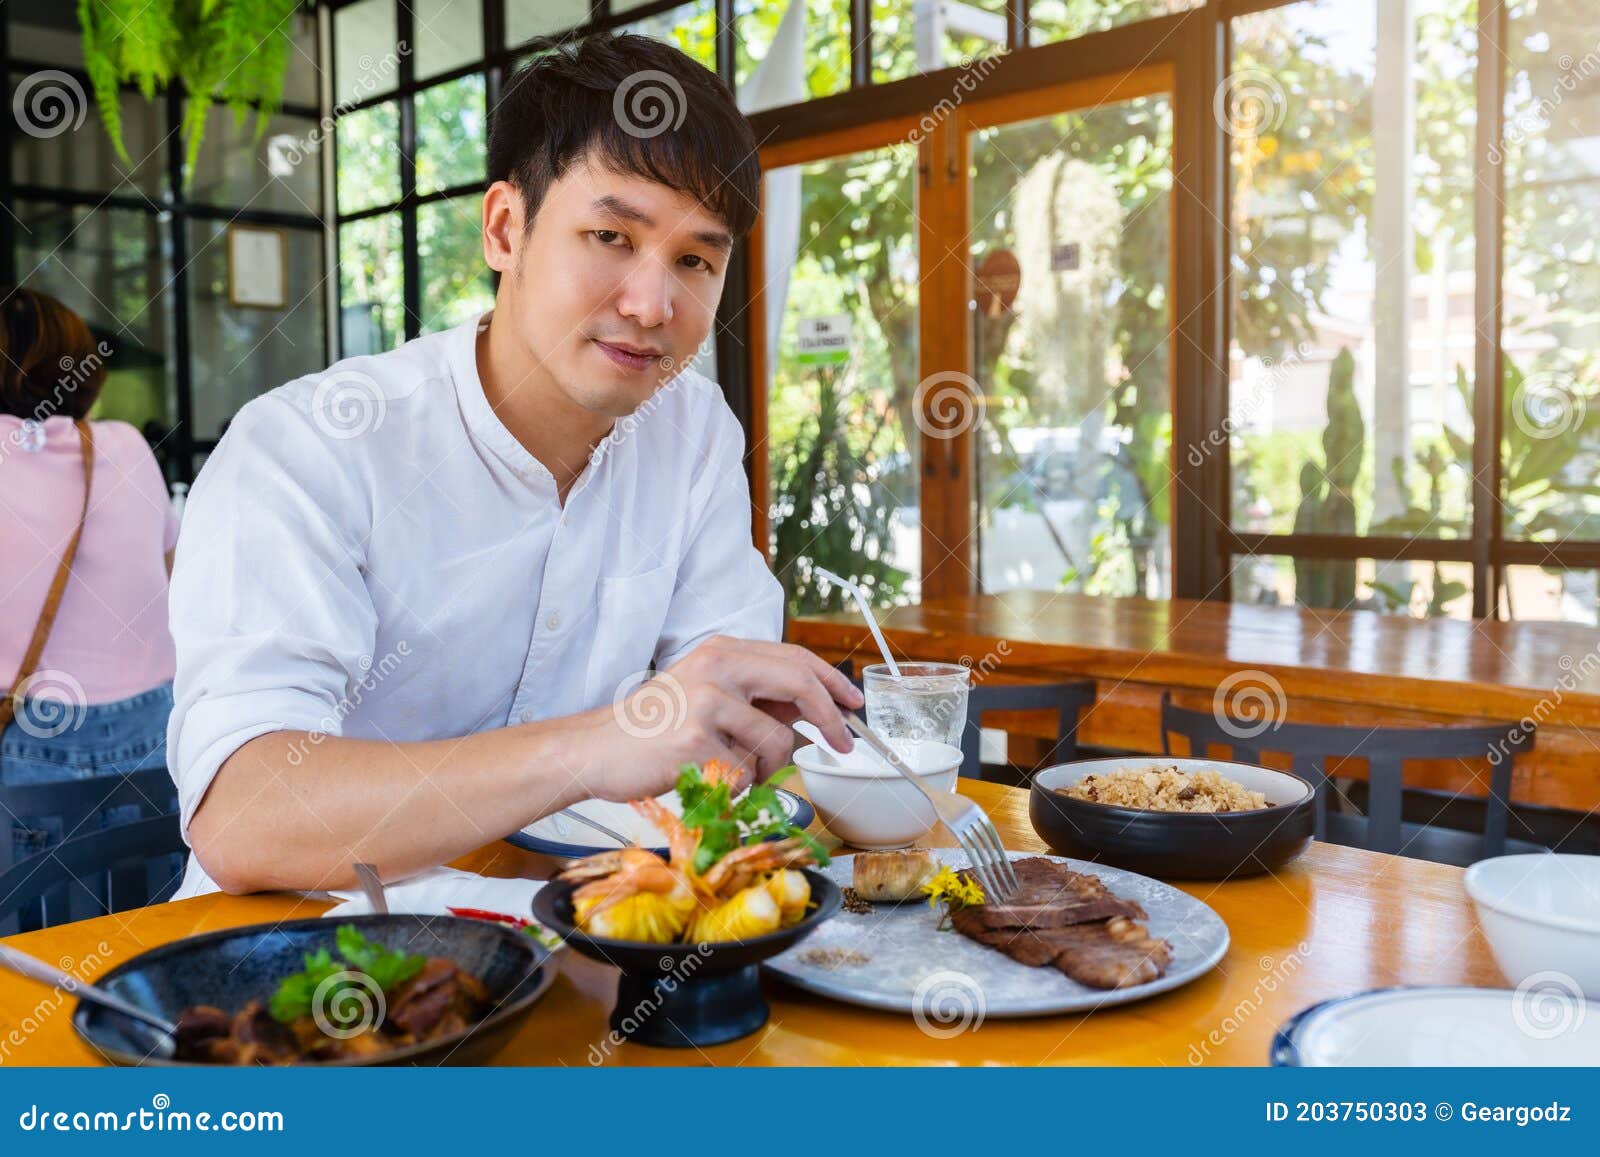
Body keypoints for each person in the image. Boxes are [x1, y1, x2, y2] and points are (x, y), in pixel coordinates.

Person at [168, 33, 861, 898]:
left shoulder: (691, 431)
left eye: (695, 260)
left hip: (585, 954)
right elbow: (247, 815)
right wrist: (600, 742)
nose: (652, 304)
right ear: (505, 227)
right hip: (304, 980)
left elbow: (727, 717)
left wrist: (749, 729)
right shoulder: (312, 447)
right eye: (610, 235)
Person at [0, 288, 179, 871]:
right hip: (153, 736)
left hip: (29, 743)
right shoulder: (127, 446)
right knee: (152, 936)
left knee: (33, 944)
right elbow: (175, 573)